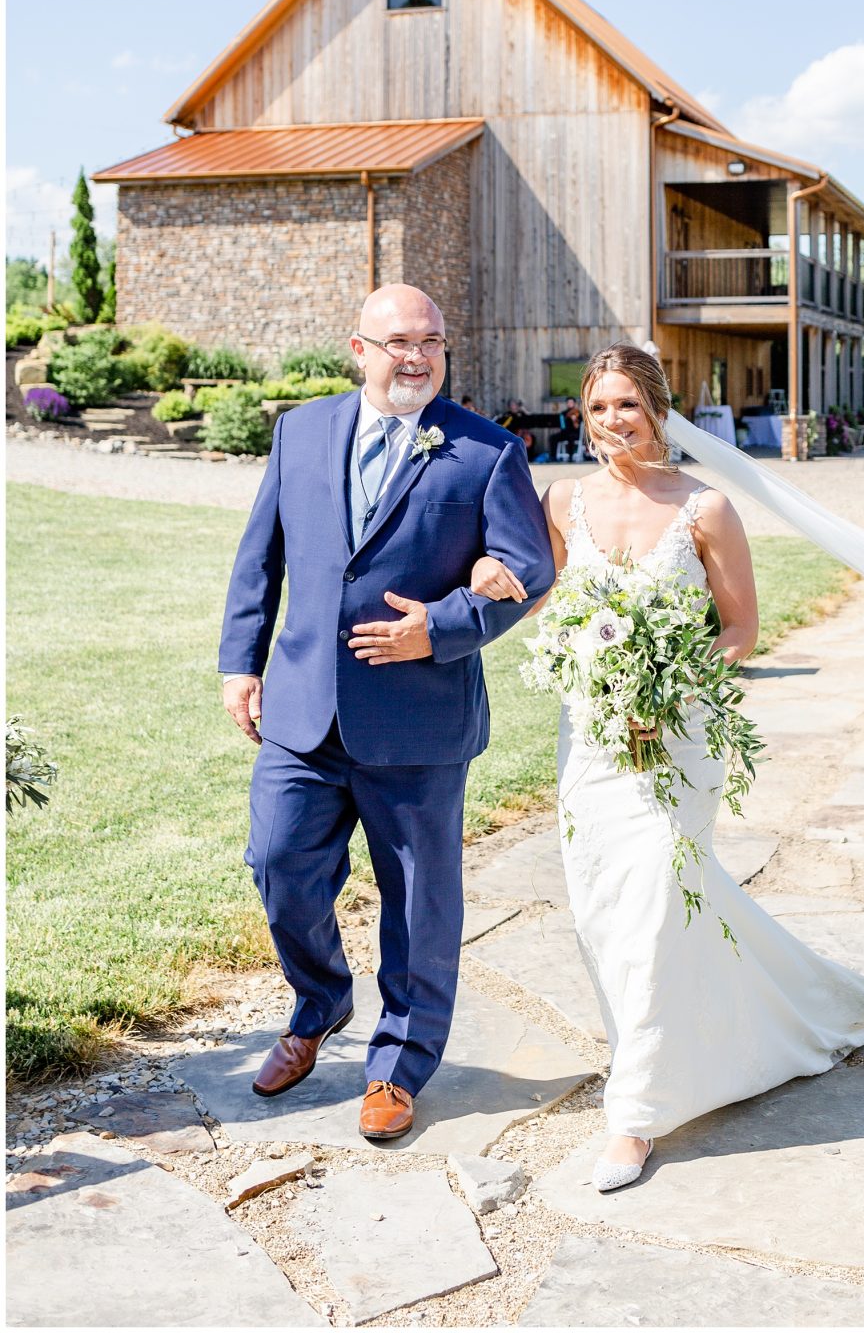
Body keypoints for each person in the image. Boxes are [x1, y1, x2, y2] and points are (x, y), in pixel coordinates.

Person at [471, 342, 864, 1193]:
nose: (613, 421)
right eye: (599, 405)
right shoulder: (560, 501)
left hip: (676, 739)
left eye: (629, 405)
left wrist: (674, 682)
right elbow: (541, 593)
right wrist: (492, 572)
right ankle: (717, 1031)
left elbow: (739, 629)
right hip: (592, 739)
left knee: (655, 892)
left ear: (658, 409)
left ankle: (637, 1113)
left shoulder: (706, 507)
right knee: (605, 908)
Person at [219, 284, 554, 1142]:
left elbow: (527, 568)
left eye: (433, 341)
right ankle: (321, 1001)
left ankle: (398, 1068)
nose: (418, 357)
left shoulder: (486, 451)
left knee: (417, 905)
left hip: (418, 719)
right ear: (358, 349)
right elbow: (262, 556)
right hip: (302, 708)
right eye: (399, 341)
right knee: (277, 859)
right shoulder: (301, 431)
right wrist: (239, 665)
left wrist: (438, 629)